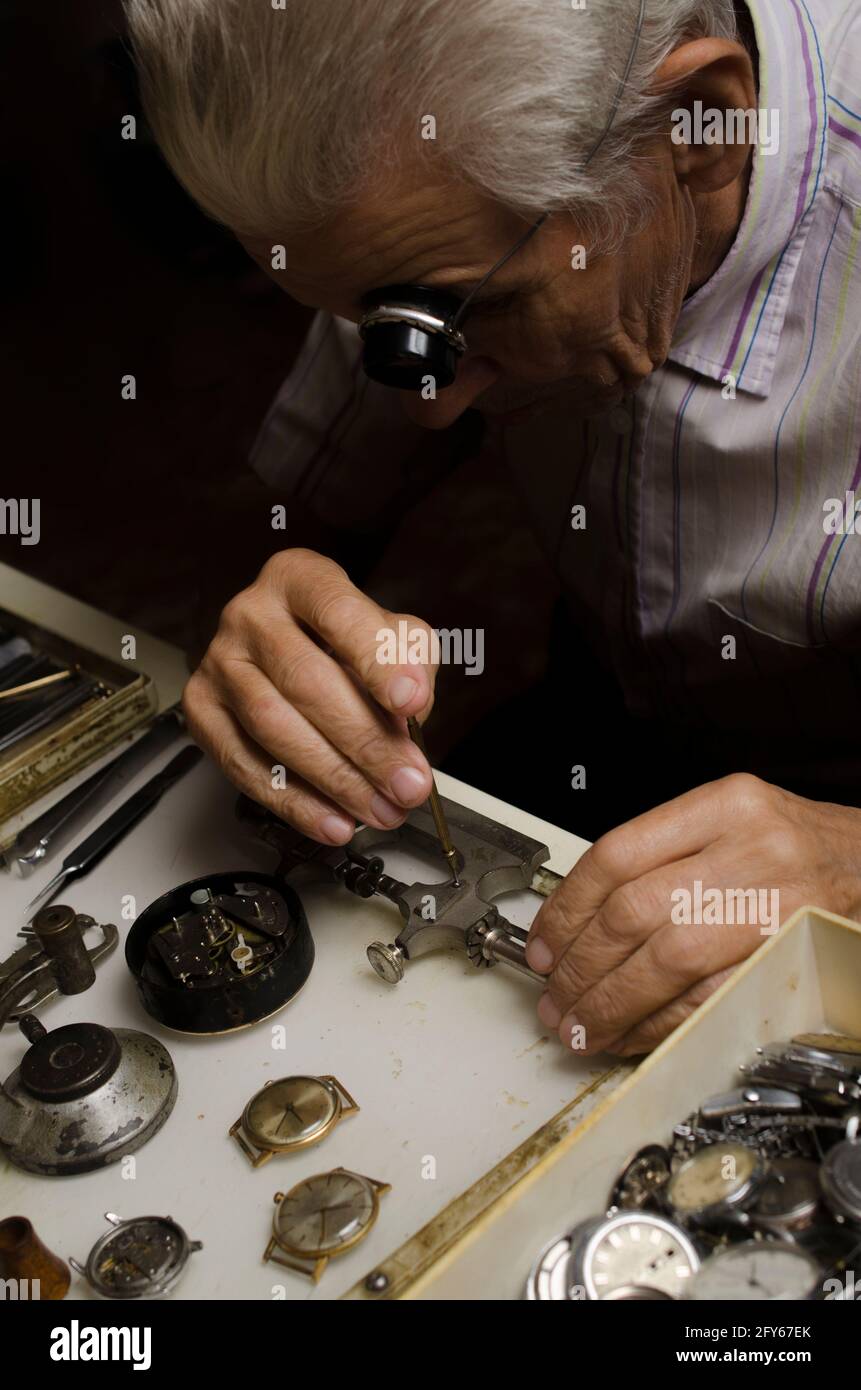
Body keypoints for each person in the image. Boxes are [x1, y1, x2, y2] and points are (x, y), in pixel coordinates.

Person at [125, 0, 861, 1055]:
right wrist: (273, 627)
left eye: (474, 314)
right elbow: (283, 518)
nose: (429, 406)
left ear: (701, 128)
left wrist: (846, 863)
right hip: (608, 723)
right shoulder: (418, 193)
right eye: (378, 334)